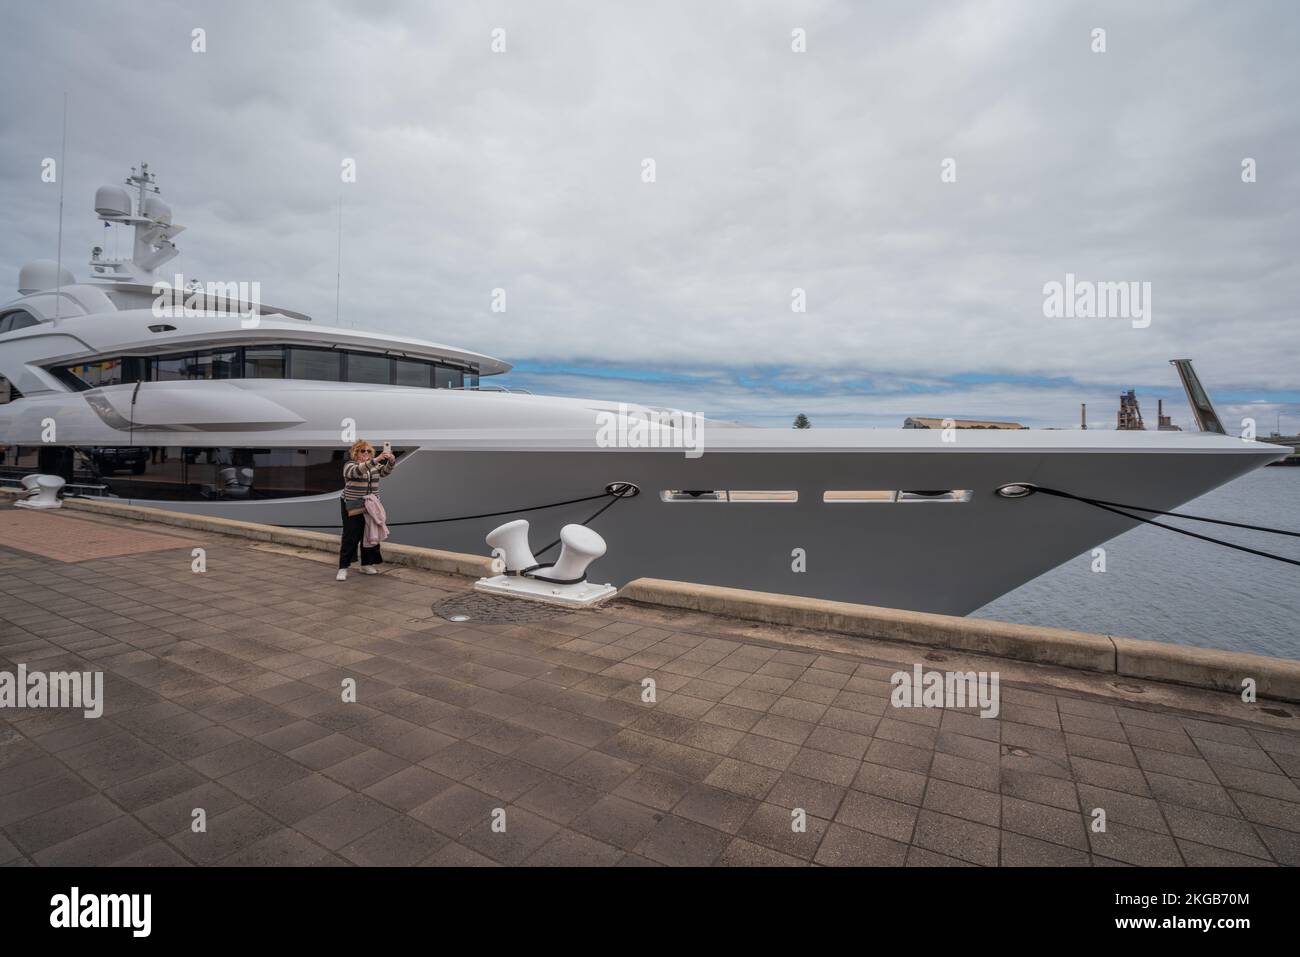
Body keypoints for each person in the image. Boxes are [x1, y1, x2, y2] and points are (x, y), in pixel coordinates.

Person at [336, 440, 395, 580]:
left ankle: (366, 564)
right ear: (356, 453)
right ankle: (343, 568)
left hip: (371, 506)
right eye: (363, 451)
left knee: (370, 534)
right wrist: (376, 460)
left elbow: (384, 472)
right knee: (351, 536)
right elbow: (357, 472)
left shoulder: (374, 466)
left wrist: (391, 462)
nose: (366, 453)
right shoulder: (349, 465)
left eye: (369, 451)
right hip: (353, 505)